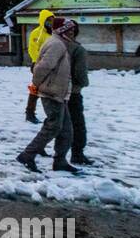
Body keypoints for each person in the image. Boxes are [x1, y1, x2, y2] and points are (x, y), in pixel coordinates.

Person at [17, 16, 79, 174]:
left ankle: (60, 161)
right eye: (70, 29)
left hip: (59, 93)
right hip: (52, 93)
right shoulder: (56, 45)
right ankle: (27, 155)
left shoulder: (60, 43)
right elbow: (41, 68)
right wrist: (38, 85)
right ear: (62, 30)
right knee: (53, 127)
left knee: (66, 130)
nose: (73, 32)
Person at [66, 20, 93, 166]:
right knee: (78, 124)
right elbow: (80, 73)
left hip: (55, 91)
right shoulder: (77, 49)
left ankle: (36, 150)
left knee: (56, 123)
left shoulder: (53, 45)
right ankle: (77, 153)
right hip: (73, 91)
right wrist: (83, 83)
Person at [24, 9, 55, 123]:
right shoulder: (36, 33)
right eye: (48, 20)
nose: (51, 22)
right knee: (36, 90)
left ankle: (54, 114)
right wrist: (42, 62)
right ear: (43, 20)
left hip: (54, 66)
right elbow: (33, 50)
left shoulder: (54, 33)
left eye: (52, 20)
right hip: (39, 66)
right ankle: (30, 113)